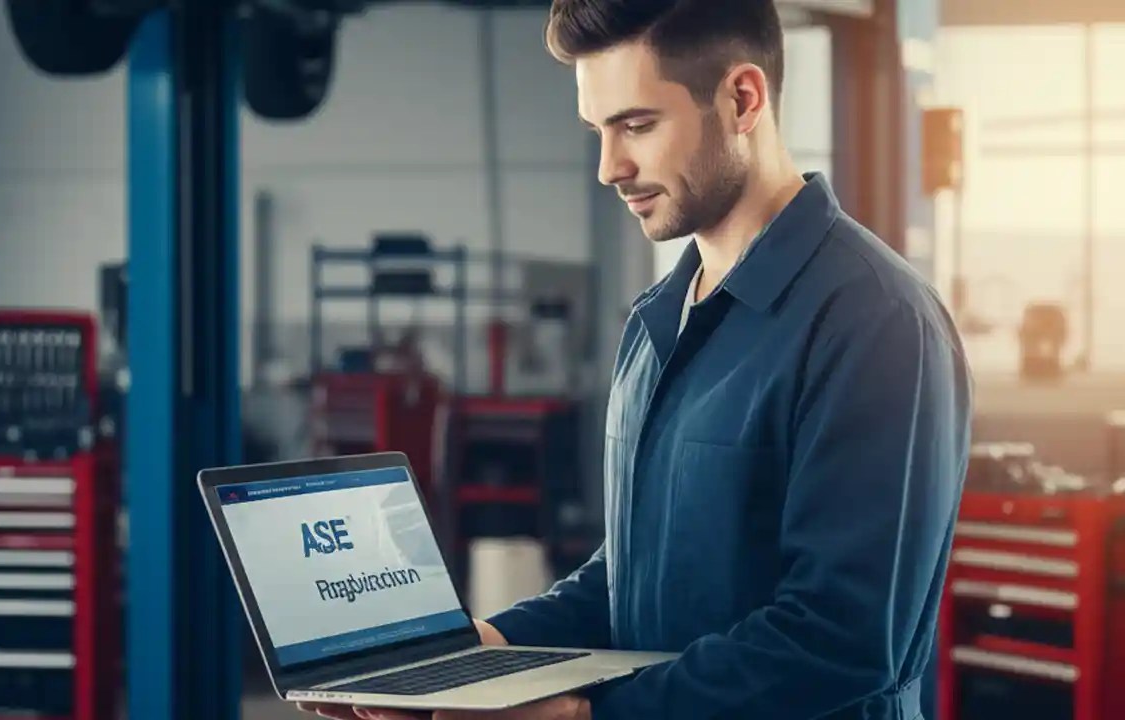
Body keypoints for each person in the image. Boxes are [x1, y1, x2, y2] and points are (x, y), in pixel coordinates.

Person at [301, 0, 971, 718]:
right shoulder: (657, 319)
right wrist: (479, 649)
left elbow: (839, 642)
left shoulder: (873, 320)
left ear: (743, 99)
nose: (609, 167)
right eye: (598, 130)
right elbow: (632, 576)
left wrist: (591, 714)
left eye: (637, 125)